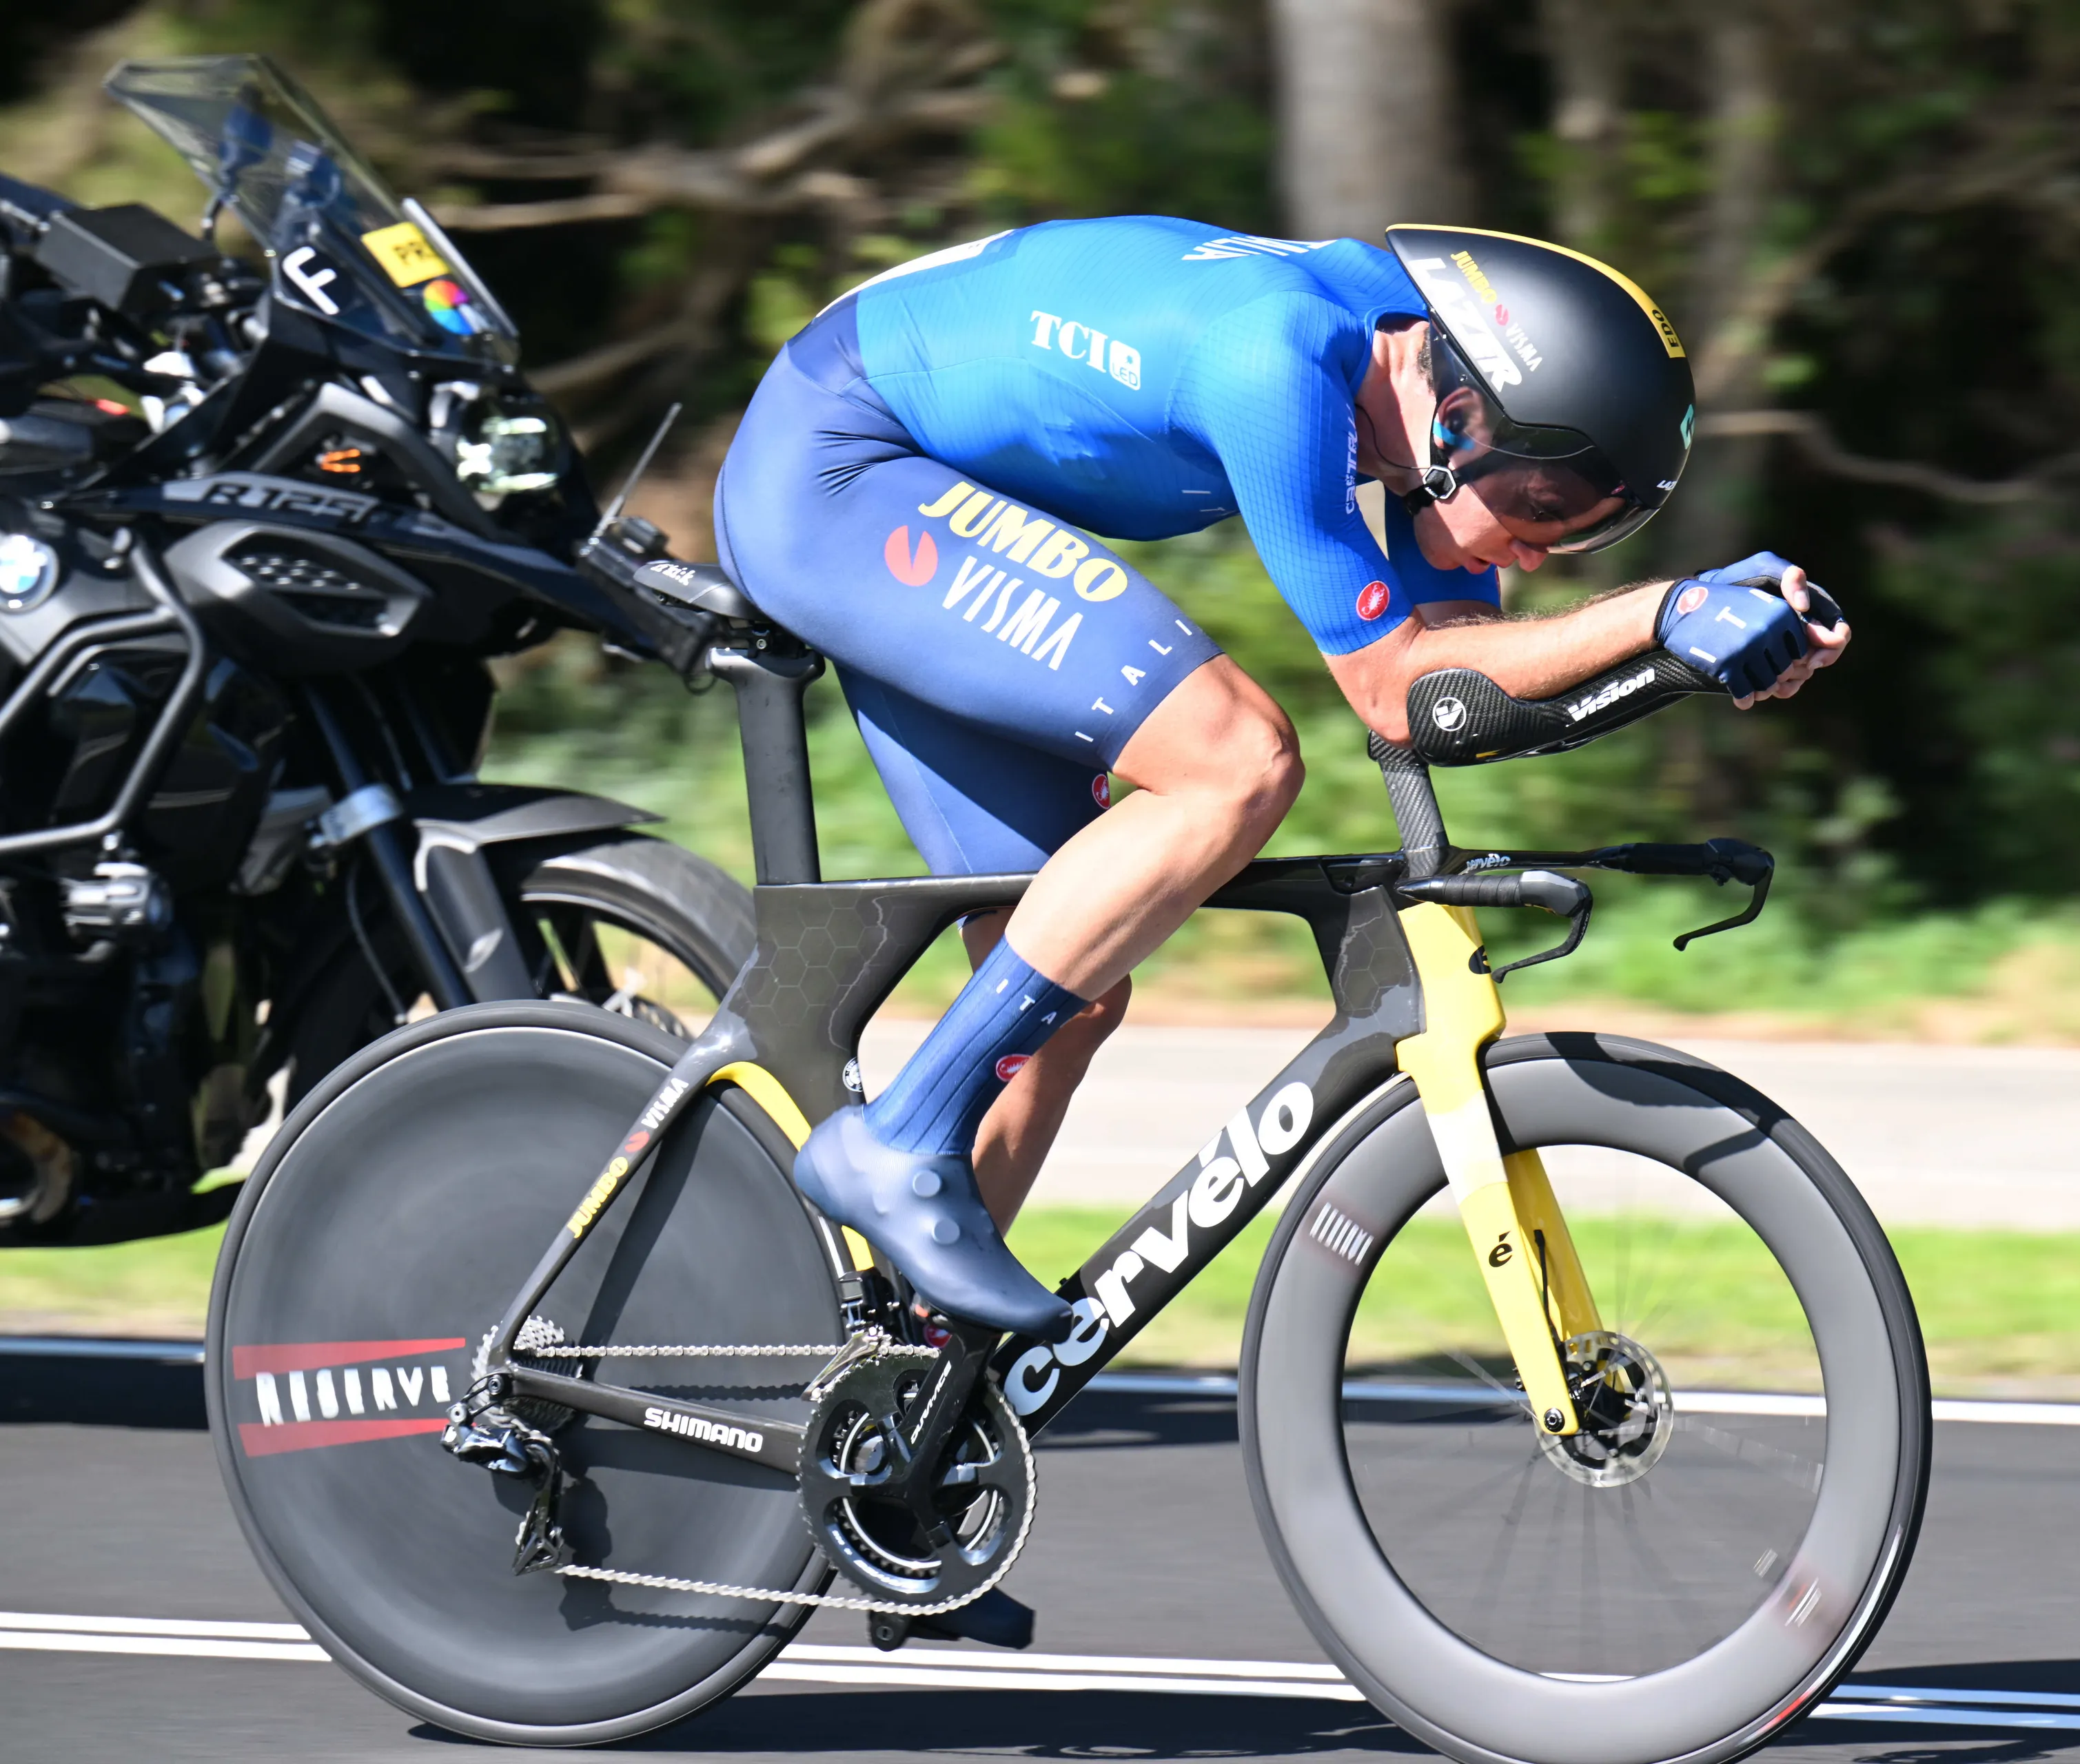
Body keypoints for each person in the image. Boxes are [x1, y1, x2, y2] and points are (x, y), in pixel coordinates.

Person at [715, 217, 1849, 1348]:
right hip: (841, 470)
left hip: (919, 485)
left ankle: (905, 1372)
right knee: (1236, 760)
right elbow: (1397, 693)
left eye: (1588, 533)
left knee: (1068, 981)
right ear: (1463, 413)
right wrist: (1657, 611)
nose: (1542, 555)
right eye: (1548, 505)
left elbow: (1464, 700)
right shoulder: (1280, 359)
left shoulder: (1406, 380)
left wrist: (1686, 653)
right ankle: (902, 1142)